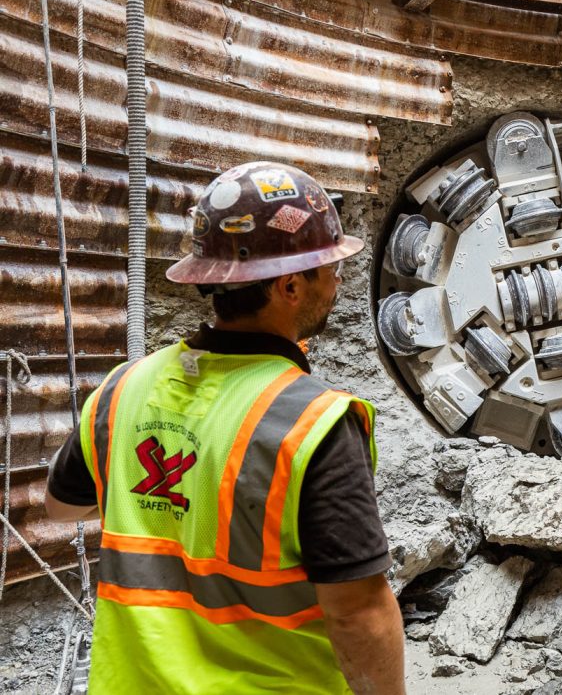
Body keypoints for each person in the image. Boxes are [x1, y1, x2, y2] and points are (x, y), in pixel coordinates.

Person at [45, 162, 406, 694]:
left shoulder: (125, 389)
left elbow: (63, 506)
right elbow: (357, 613)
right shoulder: (312, 422)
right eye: (327, 267)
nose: (337, 278)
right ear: (289, 286)